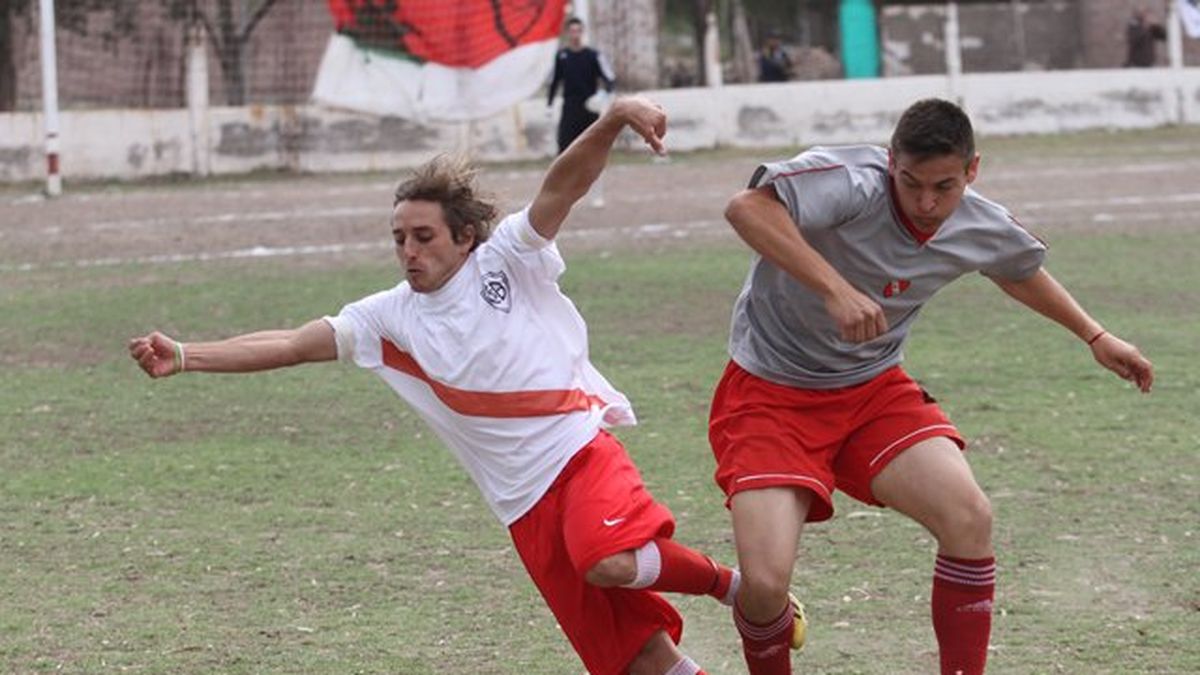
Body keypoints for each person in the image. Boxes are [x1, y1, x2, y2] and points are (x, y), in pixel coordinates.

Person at [129, 96, 744, 675]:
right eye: (399, 239)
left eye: (423, 237)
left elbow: (563, 186)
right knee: (640, 659)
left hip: (578, 454)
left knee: (607, 560)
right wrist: (185, 355)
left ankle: (738, 589)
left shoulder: (506, 258)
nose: (409, 251)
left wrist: (612, 120)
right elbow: (291, 344)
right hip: (521, 506)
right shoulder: (388, 317)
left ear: (464, 237)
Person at [710, 98, 1154, 675]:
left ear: (972, 170)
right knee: (766, 585)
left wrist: (1095, 335)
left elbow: (1019, 271)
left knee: (969, 517)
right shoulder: (850, 182)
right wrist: (834, 289)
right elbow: (746, 207)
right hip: (770, 394)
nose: (925, 204)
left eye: (944, 187)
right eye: (911, 183)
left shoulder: (977, 221)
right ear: (890, 162)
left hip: (871, 393)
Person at [547, 17, 616, 155]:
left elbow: (610, 79)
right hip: (570, 108)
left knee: (593, 147)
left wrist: (605, 95)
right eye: (572, 31)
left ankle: (592, 169)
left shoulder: (594, 56)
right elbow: (555, 81)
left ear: (582, 32)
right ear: (567, 33)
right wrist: (549, 104)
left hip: (590, 107)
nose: (575, 35)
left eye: (578, 31)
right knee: (564, 146)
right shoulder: (561, 56)